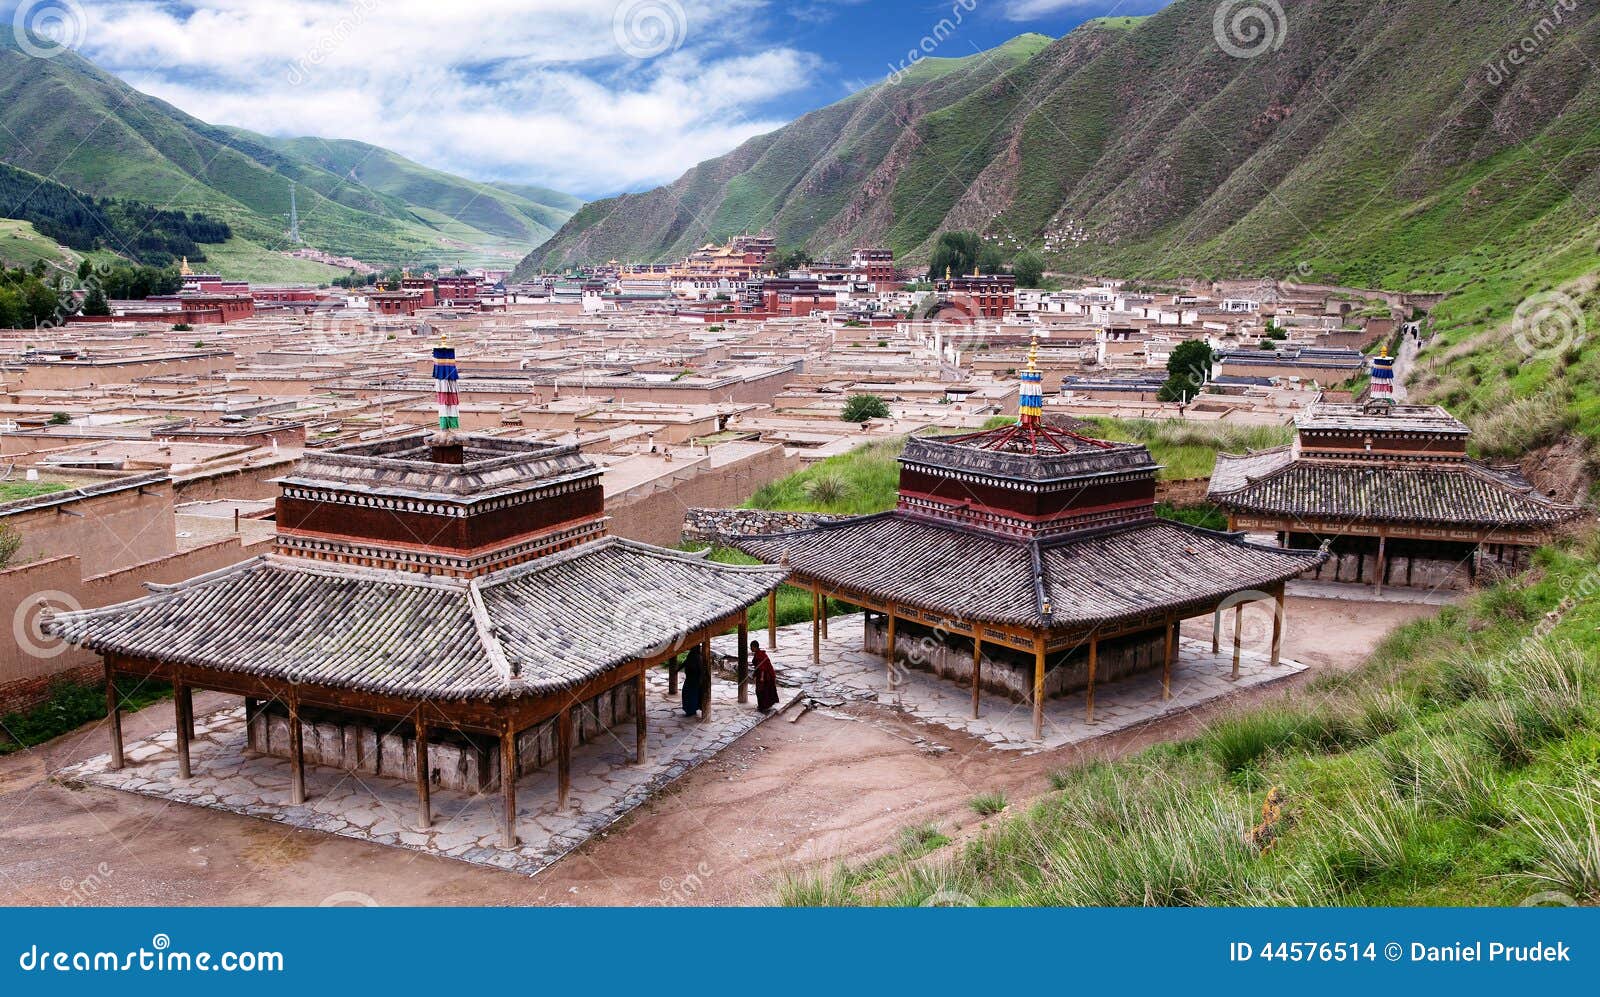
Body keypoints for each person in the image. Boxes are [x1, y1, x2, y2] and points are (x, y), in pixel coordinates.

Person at [751, 639, 779, 712]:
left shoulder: (760, 655)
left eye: (751, 647)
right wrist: (755, 674)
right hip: (761, 674)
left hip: (765, 675)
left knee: (760, 691)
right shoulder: (758, 653)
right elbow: (758, 666)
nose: (751, 648)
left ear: (755, 647)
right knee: (763, 690)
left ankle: (763, 706)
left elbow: (762, 668)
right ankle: (764, 706)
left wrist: (762, 678)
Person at [680, 645, 706, 717]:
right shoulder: (691, 655)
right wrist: (677, 670)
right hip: (689, 679)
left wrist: (700, 680)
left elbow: (701, 670)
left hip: (695, 680)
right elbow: (685, 662)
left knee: (692, 696)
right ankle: (690, 710)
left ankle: (691, 710)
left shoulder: (698, 657)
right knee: (687, 695)